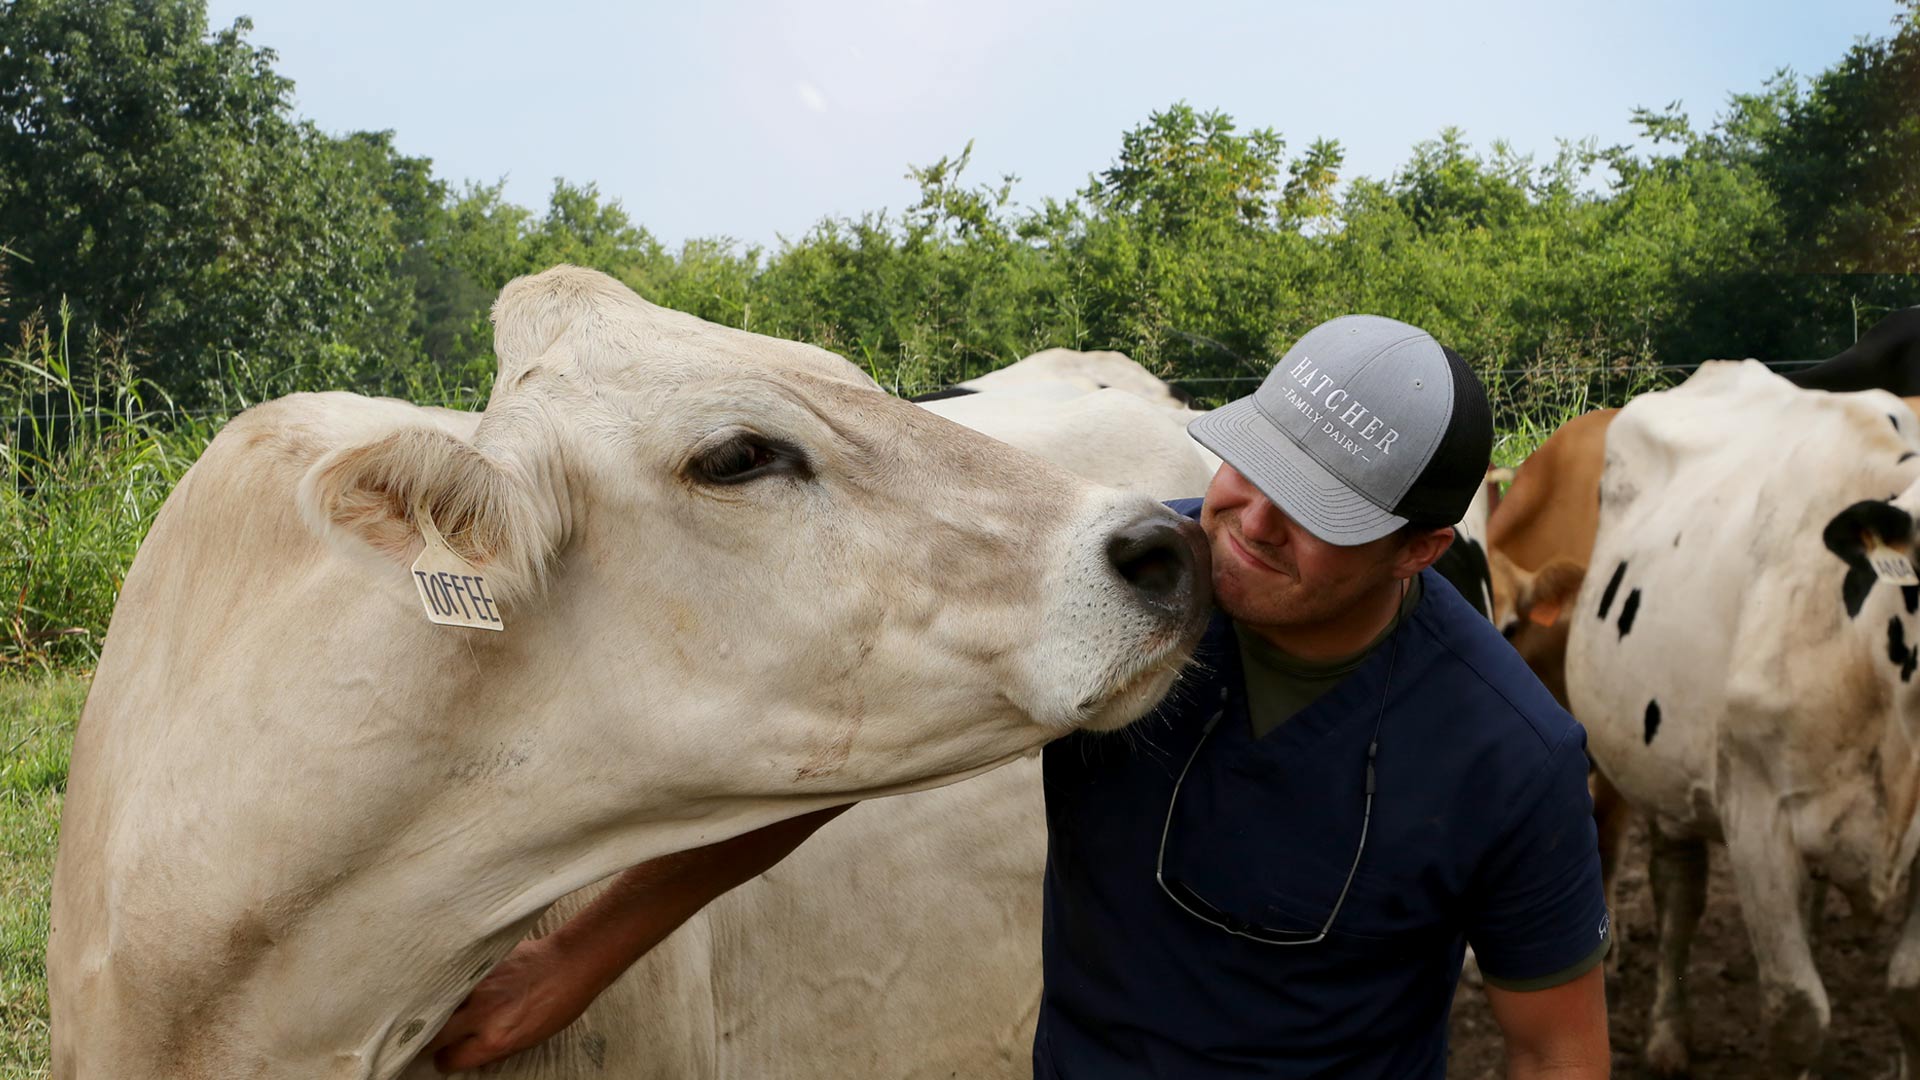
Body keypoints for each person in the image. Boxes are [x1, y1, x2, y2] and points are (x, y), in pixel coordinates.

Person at [429, 315, 1610, 1078]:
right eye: (1253, 465)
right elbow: (844, 752)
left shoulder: (1512, 758)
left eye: (1318, 513)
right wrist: (576, 960)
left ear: (1418, 549)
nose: (1246, 522)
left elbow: (1556, 1050)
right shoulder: (1131, 585)